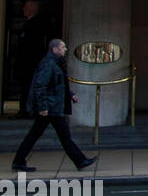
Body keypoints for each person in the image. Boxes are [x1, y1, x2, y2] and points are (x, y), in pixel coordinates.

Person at [11, 38, 96, 173]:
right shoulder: (48, 64)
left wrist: (70, 94)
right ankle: (80, 160)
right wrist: (43, 107)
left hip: (52, 106)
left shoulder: (55, 63)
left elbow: (57, 85)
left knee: (35, 135)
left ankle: (18, 161)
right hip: (51, 108)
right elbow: (40, 86)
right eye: (63, 47)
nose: (65, 49)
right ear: (54, 49)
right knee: (63, 136)